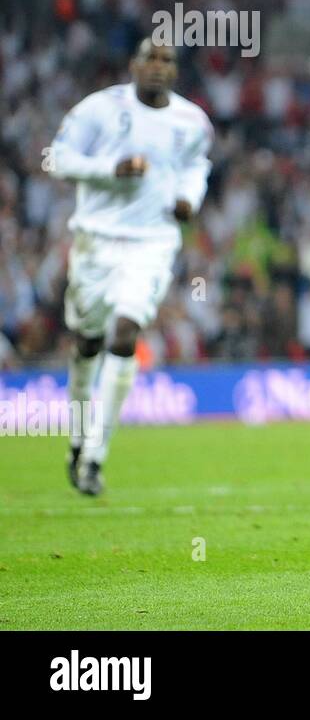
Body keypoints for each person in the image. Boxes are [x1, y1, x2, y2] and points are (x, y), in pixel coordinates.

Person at [51, 39, 213, 495]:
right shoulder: (97, 110)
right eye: (151, 59)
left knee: (125, 334)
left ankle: (97, 454)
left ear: (176, 71)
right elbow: (58, 159)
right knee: (87, 343)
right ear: (133, 64)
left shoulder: (192, 121)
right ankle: (78, 439)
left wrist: (189, 199)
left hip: (152, 242)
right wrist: (111, 169)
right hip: (95, 241)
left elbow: (196, 166)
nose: (159, 67)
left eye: (168, 61)